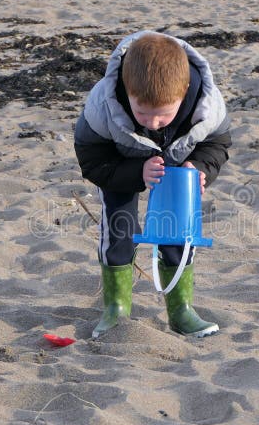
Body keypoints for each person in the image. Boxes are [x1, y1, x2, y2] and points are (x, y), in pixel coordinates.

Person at [73, 31, 231, 339]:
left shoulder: (207, 106)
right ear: (128, 91)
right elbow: (91, 159)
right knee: (119, 227)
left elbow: (218, 144)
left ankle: (181, 310)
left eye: (163, 114)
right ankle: (116, 309)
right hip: (119, 164)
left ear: (184, 93)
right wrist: (135, 173)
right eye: (142, 112)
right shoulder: (103, 105)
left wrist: (199, 169)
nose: (153, 123)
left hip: (178, 164)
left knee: (178, 228)